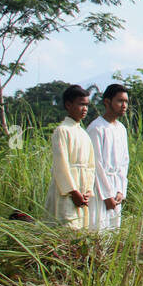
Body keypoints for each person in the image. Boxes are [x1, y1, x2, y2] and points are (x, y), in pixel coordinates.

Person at [44, 84, 94, 230]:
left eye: (86, 105)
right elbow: (61, 165)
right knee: (65, 227)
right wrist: (73, 192)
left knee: (79, 231)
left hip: (82, 188)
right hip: (66, 191)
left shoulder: (84, 134)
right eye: (81, 104)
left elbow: (91, 166)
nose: (85, 108)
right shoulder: (62, 131)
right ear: (68, 105)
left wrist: (87, 191)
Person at [87, 84, 130, 233]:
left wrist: (120, 190)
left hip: (116, 188)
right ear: (107, 102)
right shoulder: (96, 128)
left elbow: (124, 163)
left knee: (113, 232)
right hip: (100, 189)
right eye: (120, 101)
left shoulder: (121, 129)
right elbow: (96, 165)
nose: (124, 105)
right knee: (98, 229)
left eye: (126, 102)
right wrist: (106, 195)